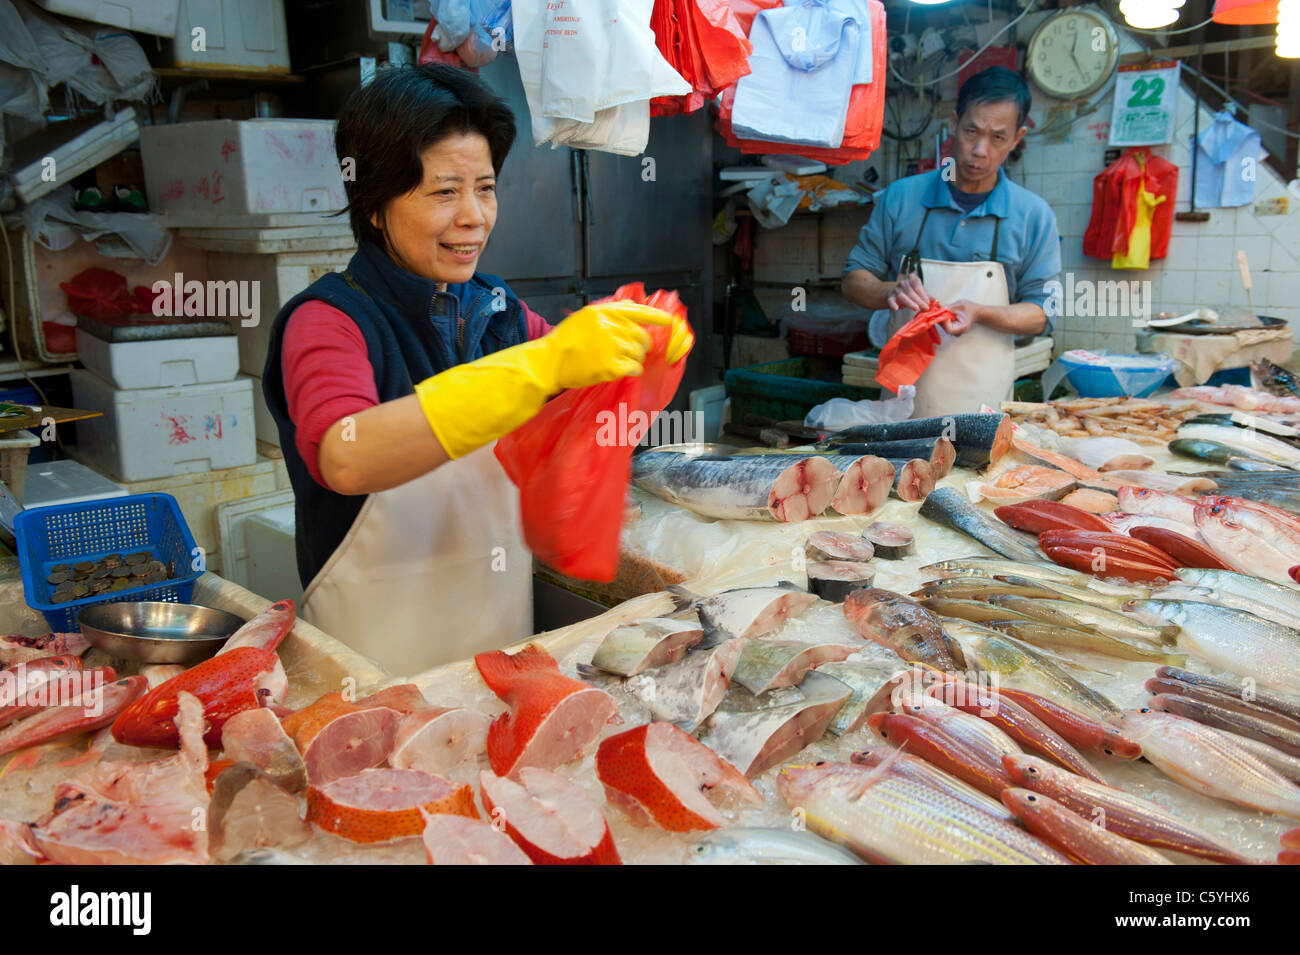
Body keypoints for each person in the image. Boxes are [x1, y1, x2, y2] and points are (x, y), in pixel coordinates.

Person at [262, 65, 691, 675]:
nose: (474, 217)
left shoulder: (497, 311)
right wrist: (543, 364)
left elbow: (570, 397)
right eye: (444, 192)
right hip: (375, 672)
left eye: (485, 188)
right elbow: (346, 454)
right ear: (375, 204)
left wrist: (639, 343)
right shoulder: (328, 320)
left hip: (501, 654)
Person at [841, 67, 1061, 418]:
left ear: (1017, 138)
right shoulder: (901, 198)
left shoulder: (1033, 216)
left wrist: (981, 312)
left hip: (984, 405)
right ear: (954, 122)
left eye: (998, 138)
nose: (979, 150)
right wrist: (889, 292)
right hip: (904, 407)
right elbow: (854, 281)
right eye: (971, 131)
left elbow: (1042, 313)